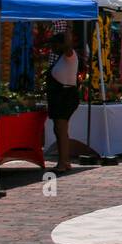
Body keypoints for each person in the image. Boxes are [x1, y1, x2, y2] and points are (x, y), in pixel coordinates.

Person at [46, 30, 80, 174]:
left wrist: (68, 30)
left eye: (54, 44)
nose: (52, 48)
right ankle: (65, 161)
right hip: (59, 96)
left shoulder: (69, 56)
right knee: (59, 130)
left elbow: (68, 45)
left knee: (61, 130)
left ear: (60, 44)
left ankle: (62, 162)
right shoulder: (60, 59)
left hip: (65, 96)